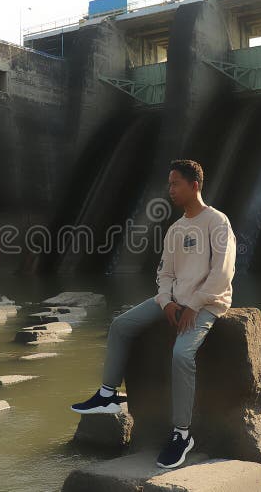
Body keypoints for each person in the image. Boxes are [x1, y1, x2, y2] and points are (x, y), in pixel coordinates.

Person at [70, 158, 237, 469]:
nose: (170, 189)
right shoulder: (175, 229)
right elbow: (165, 274)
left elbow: (222, 273)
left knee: (181, 355)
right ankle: (107, 394)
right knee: (121, 325)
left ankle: (182, 434)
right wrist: (167, 303)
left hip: (208, 303)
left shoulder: (217, 222)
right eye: (169, 183)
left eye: (175, 183)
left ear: (194, 185)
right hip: (175, 302)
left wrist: (193, 305)